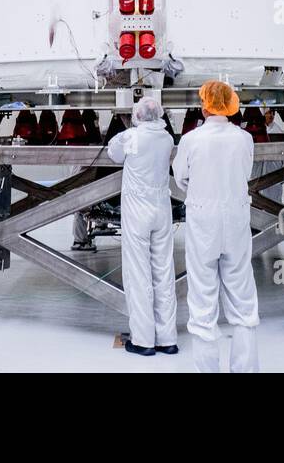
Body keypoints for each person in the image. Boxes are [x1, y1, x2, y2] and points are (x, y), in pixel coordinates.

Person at [172, 80, 260, 373]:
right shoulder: (244, 139)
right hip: (236, 218)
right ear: (231, 104)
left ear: (204, 105)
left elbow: (180, 177)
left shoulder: (191, 140)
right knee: (242, 297)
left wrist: (200, 190)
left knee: (202, 297)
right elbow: (245, 172)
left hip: (203, 220)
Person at [108, 98, 178, 357]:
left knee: (138, 274)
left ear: (137, 115)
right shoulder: (167, 138)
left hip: (138, 212)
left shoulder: (130, 137)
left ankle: (143, 340)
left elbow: (112, 154)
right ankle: (167, 339)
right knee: (163, 272)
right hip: (162, 208)